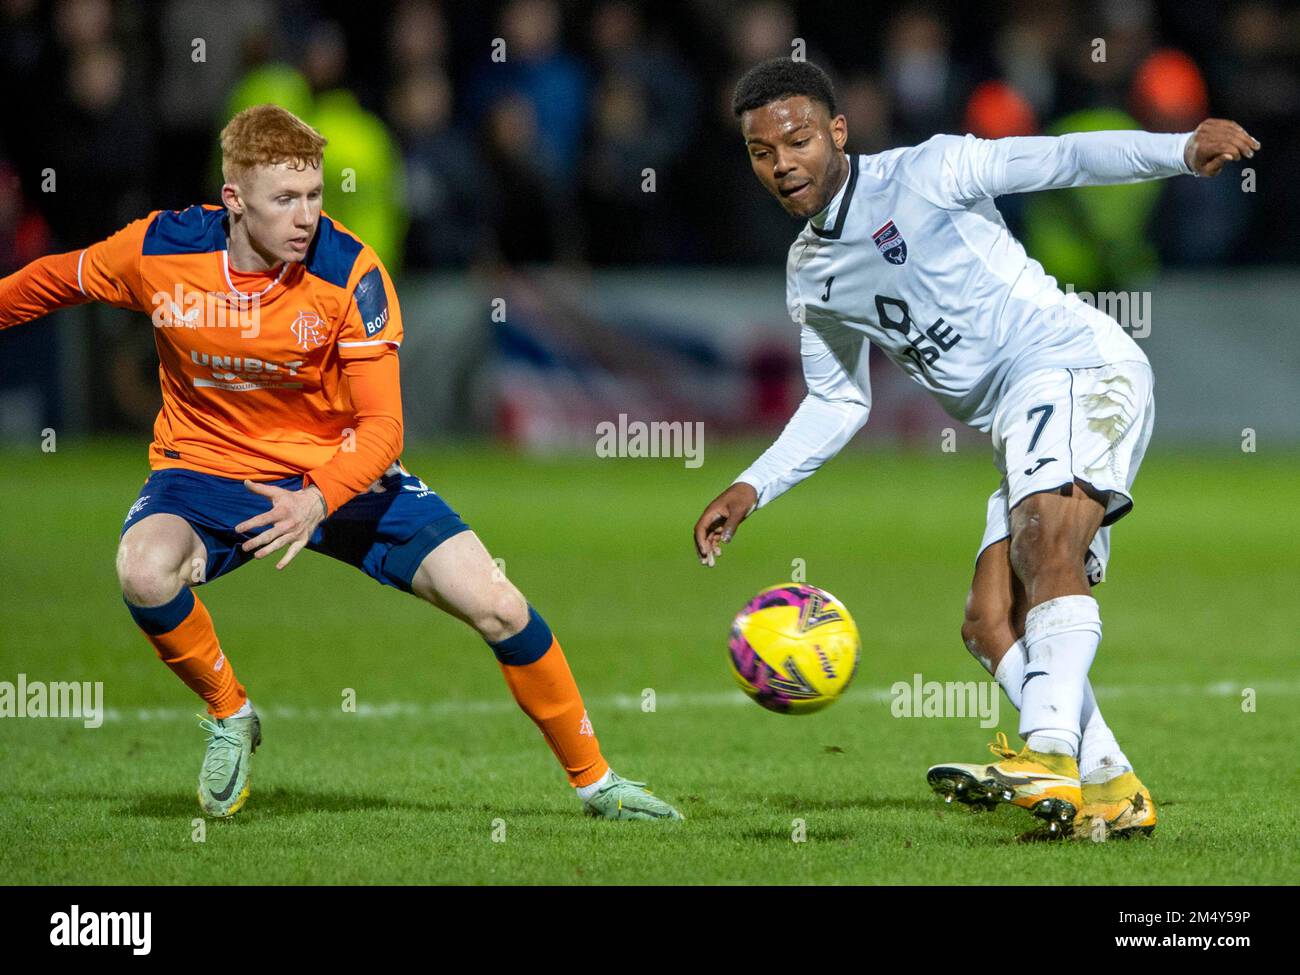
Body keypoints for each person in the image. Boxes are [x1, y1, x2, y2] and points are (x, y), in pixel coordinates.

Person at [0, 104, 680, 823]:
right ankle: (230, 711)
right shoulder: (160, 251)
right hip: (205, 467)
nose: (305, 216)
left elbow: (384, 426)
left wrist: (318, 497)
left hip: (340, 471)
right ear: (233, 199)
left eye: (315, 195)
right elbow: (56, 279)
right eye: (285, 199)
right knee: (141, 567)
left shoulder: (349, 271)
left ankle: (597, 782)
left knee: (500, 603)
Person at [692, 58, 1258, 839]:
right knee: (989, 621)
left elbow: (1061, 158)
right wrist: (751, 485)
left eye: (797, 141)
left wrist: (1178, 150)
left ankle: (1049, 751)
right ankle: (1113, 787)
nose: (783, 163)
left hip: (1073, 366)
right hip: (1021, 414)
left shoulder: (930, 170)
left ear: (838, 131)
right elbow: (838, 398)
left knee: (1044, 545)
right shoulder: (812, 272)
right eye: (762, 152)